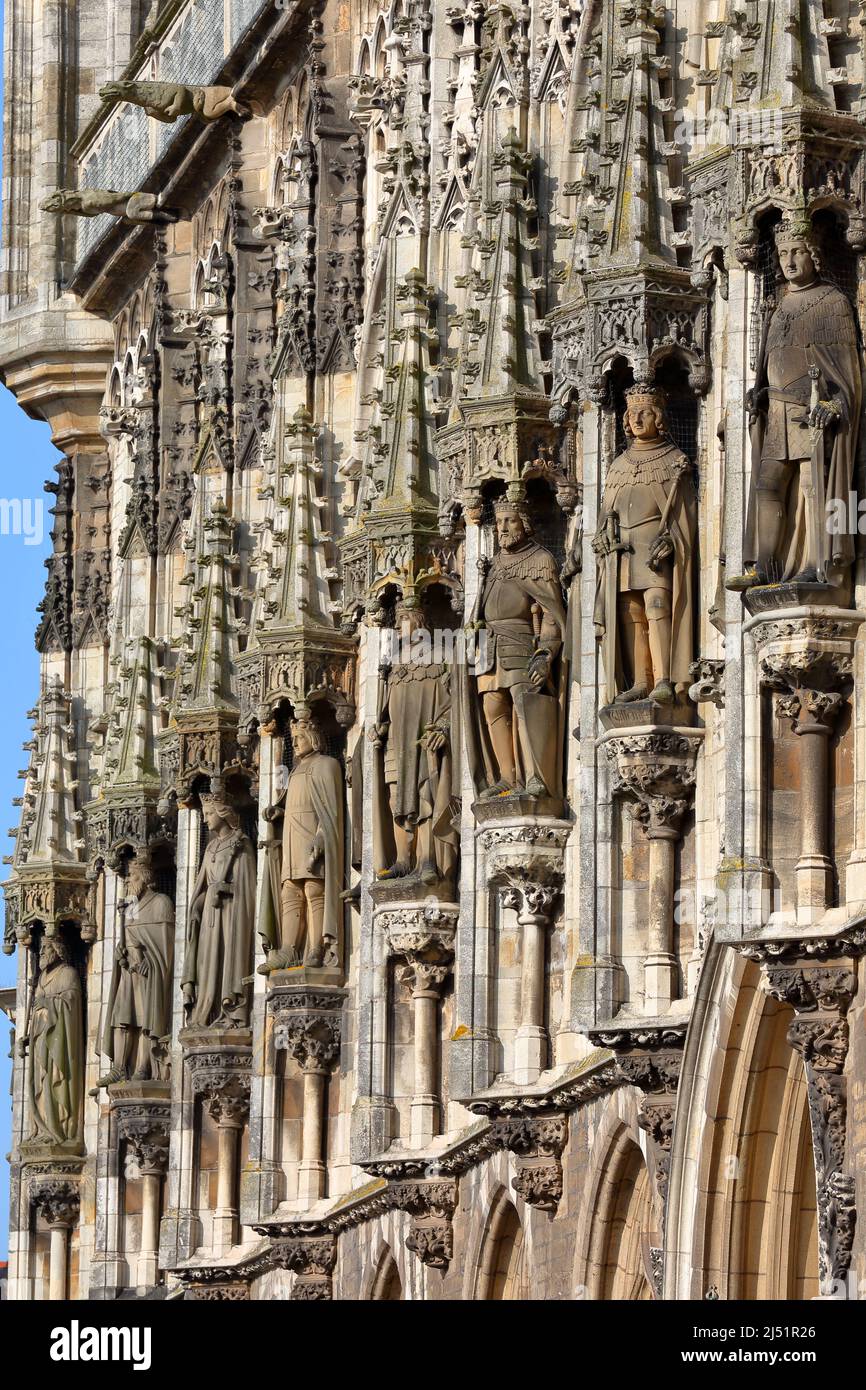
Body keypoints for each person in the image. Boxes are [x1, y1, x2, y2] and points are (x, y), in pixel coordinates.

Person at [738, 218, 862, 586]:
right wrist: (757, 393)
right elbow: (768, 363)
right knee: (767, 486)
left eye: (796, 252)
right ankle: (765, 567)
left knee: (813, 487)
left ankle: (815, 563)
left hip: (811, 412)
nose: (788, 261)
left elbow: (847, 370)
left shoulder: (833, 302)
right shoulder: (778, 307)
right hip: (776, 412)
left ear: (814, 255)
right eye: (782, 254)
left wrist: (836, 403)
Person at [593, 386, 697, 705]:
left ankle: (664, 678)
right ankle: (641, 681)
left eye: (645, 413)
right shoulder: (618, 466)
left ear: (659, 418)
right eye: (632, 414)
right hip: (624, 553)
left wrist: (672, 540)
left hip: (654, 550)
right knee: (631, 614)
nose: (637, 419)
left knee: (657, 607)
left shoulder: (673, 460)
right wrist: (603, 537)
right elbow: (605, 515)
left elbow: (685, 517)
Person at [468, 499, 566, 799]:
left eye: (510, 521)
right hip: (490, 646)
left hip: (522, 642)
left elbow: (550, 611)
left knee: (525, 704)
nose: (503, 528)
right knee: (492, 707)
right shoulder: (494, 564)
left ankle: (535, 775)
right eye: (499, 523)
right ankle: (507, 777)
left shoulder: (540, 559)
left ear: (525, 523)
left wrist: (545, 653)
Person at [371, 603, 457, 885]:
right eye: (396, 619)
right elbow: (386, 709)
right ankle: (402, 860)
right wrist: (379, 730)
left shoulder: (439, 656)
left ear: (419, 620)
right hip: (397, 743)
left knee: (425, 795)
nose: (398, 625)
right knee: (396, 798)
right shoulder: (393, 665)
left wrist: (443, 728)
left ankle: (427, 859)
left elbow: (451, 702)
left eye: (404, 618)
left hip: (422, 742)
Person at [261, 719, 344, 972]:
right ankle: (289, 950)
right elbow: (294, 804)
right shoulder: (295, 770)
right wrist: (279, 813)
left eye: (300, 737)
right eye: (293, 738)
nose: (295, 743)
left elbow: (330, 810)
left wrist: (321, 836)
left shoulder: (327, 765)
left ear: (314, 737)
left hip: (312, 837)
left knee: (313, 889)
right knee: (290, 892)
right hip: (292, 839)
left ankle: (316, 947)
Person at [97, 854, 174, 1086]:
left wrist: (147, 957)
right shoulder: (130, 908)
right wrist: (121, 952)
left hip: (148, 974)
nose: (128, 881)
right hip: (129, 974)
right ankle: (120, 1067)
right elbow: (127, 938)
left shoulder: (161, 902)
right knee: (123, 1019)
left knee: (144, 1020)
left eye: (131, 876)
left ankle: (142, 1067)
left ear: (145, 877)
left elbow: (166, 942)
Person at [182, 795, 256, 1028]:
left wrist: (225, 888)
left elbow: (248, 887)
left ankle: (229, 1010)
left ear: (222, 813)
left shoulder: (240, 843)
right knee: (206, 963)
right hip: (209, 918)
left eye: (209, 814)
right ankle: (207, 1008)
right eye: (203, 815)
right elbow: (202, 885)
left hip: (230, 915)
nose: (205, 820)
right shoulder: (211, 846)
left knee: (225, 959)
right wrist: (199, 902)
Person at [21, 935, 83, 1147]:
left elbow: (71, 1005)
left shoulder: (68, 974)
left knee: (52, 1082)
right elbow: (36, 1011)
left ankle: (57, 1129)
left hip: (59, 1043)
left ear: (58, 950)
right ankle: (41, 1128)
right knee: (39, 1083)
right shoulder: (40, 979)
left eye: (46, 948)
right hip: (40, 1040)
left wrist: (48, 1002)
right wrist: (27, 1038)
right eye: (41, 949)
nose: (42, 953)